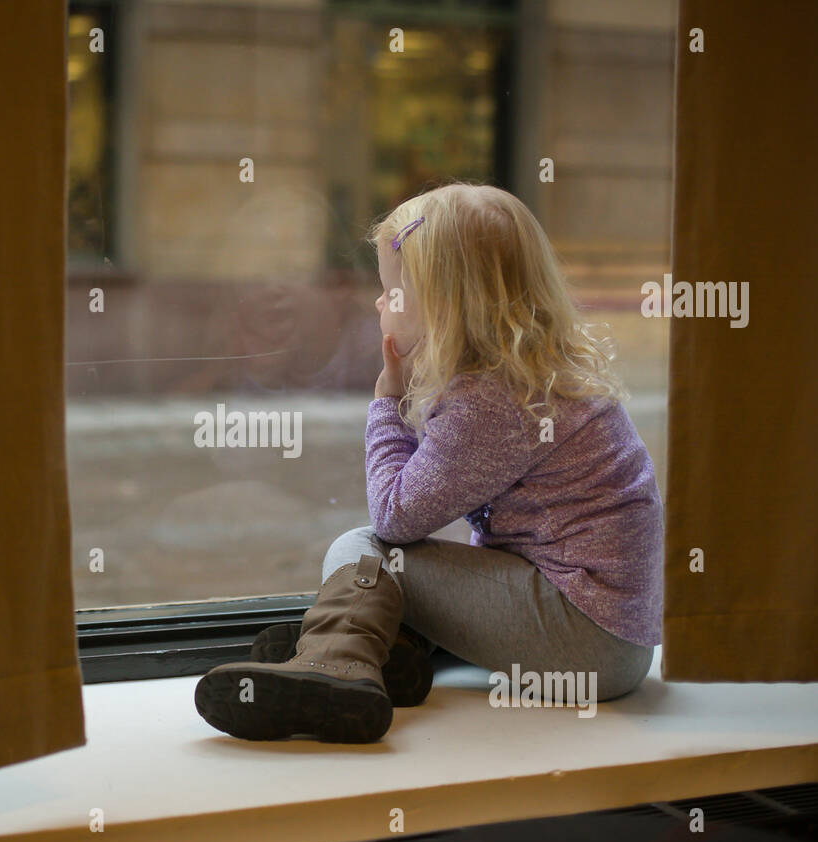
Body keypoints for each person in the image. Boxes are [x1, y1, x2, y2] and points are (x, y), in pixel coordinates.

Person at [194, 181, 662, 744]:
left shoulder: (491, 402)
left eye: (391, 294)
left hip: (586, 644)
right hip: (611, 639)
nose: (377, 306)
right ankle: (385, 657)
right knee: (399, 570)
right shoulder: (536, 377)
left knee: (361, 548)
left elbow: (395, 516)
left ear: (443, 308)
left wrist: (388, 401)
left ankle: (332, 663)